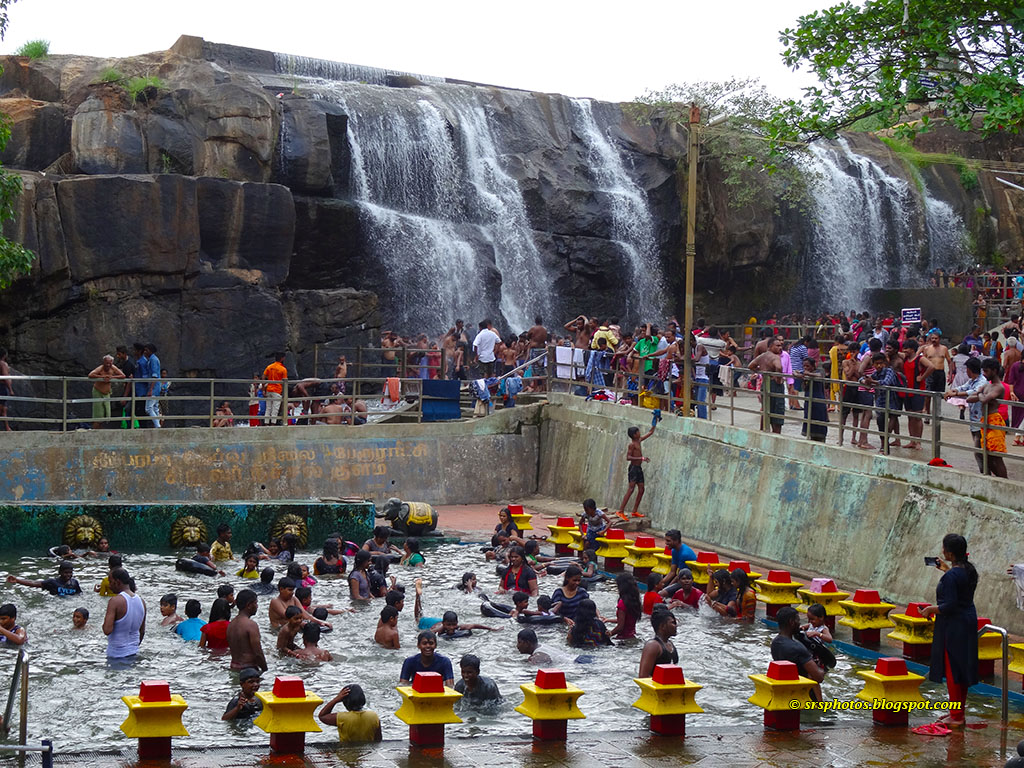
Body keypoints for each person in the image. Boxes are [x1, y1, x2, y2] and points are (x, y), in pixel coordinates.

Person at [920, 534, 978, 726]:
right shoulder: (969, 570)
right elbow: (960, 591)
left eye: (944, 549)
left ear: (950, 554)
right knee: (962, 668)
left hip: (954, 624)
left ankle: (957, 716)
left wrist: (930, 609)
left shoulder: (952, 576)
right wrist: (946, 569)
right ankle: (957, 712)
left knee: (953, 669)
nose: (942, 551)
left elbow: (950, 605)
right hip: (968, 620)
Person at [771, 606, 824, 701]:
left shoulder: (775, 643)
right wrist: (822, 668)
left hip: (786, 693)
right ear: (792, 622)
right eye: (798, 620)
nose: (799, 623)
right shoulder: (797, 648)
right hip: (805, 696)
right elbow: (819, 677)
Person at [968, 358, 1009, 478]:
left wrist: (980, 393)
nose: (984, 374)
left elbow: (984, 399)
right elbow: (969, 399)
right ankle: (996, 479)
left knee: (995, 455)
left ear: (994, 371)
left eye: (986, 371)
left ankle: (1004, 481)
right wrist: (981, 394)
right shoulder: (987, 385)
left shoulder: (999, 387)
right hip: (984, 420)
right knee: (984, 454)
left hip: (995, 420)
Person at [615, 421, 656, 520]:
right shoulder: (632, 445)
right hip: (633, 468)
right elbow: (628, 457)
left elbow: (650, 432)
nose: (640, 433)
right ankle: (620, 511)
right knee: (631, 489)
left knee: (641, 489)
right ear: (634, 435)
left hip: (638, 468)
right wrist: (641, 458)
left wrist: (655, 421)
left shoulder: (639, 440)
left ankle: (634, 511)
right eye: (638, 432)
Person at [103, 568, 146, 662]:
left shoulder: (115, 601)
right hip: (134, 653)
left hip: (116, 655)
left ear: (117, 582)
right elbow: (142, 631)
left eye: (111, 582)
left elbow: (107, 630)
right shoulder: (142, 601)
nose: (109, 585)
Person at [318, 685, 382, 743]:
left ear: (344, 702)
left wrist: (335, 700)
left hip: (346, 751)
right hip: (368, 752)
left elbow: (322, 716)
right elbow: (378, 740)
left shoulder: (342, 718)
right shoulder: (373, 716)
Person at [749, 337, 786, 433]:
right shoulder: (775, 357)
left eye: (781, 346)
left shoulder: (762, 356)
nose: (780, 347)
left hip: (765, 383)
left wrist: (760, 371)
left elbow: (751, 365)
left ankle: (764, 430)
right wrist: (778, 379)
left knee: (766, 408)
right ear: (770, 346)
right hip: (775, 385)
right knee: (777, 411)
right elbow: (779, 367)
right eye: (777, 346)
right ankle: (776, 434)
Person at [226, 590, 267, 672]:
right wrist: (265, 670)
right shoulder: (251, 625)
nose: (257, 606)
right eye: (255, 603)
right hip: (249, 669)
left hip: (234, 667)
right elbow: (258, 653)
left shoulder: (231, 624)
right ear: (249, 605)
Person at [87, 355, 126, 429]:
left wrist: (112, 377)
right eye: (106, 363)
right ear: (103, 362)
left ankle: (100, 429)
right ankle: (95, 429)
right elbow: (90, 375)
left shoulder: (113, 368)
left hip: (107, 393)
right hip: (98, 391)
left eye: (110, 363)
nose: (108, 365)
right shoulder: (100, 368)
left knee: (107, 413)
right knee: (98, 415)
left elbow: (123, 376)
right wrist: (102, 377)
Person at [637, 607, 678, 677]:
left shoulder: (670, 644)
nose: (676, 626)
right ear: (662, 626)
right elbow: (643, 676)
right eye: (673, 623)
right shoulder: (653, 646)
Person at [655, 530, 697, 594]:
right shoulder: (674, 551)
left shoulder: (684, 554)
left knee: (662, 593)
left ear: (676, 541)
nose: (666, 543)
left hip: (689, 581)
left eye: (668, 541)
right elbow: (672, 572)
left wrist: (667, 588)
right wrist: (660, 583)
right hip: (681, 577)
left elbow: (678, 576)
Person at [7, 561, 82, 596]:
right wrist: (18, 580)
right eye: (66, 572)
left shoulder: (74, 583)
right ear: (60, 572)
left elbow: (79, 595)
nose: (68, 575)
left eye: (70, 572)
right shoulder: (52, 582)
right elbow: (35, 583)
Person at [607, 573, 641, 640]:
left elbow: (620, 627)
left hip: (622, 639)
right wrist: (608, 620)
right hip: (632, 637)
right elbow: (627, 621)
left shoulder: (622, 603)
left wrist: (610, 634)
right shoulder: (635, 601)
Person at [430, 610, 501, 639]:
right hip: (436, 625)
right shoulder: (438, 630)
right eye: (448, 625)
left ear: (457, 623)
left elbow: (474, 625)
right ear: (443, 623)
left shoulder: (459, 627)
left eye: (454, 624)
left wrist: (491, 628)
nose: (451, 627)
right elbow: (427, 633)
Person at [262, 352, 288, 426]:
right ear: (282, 358)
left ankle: (266, 423)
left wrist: (263, 389)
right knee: (275, 408)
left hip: (269, 389)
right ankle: (273, 423)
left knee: (268, 408)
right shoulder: (283, 369)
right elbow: (285, 381)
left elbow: (263, 377)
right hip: (277, 390)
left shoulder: (269, 367)